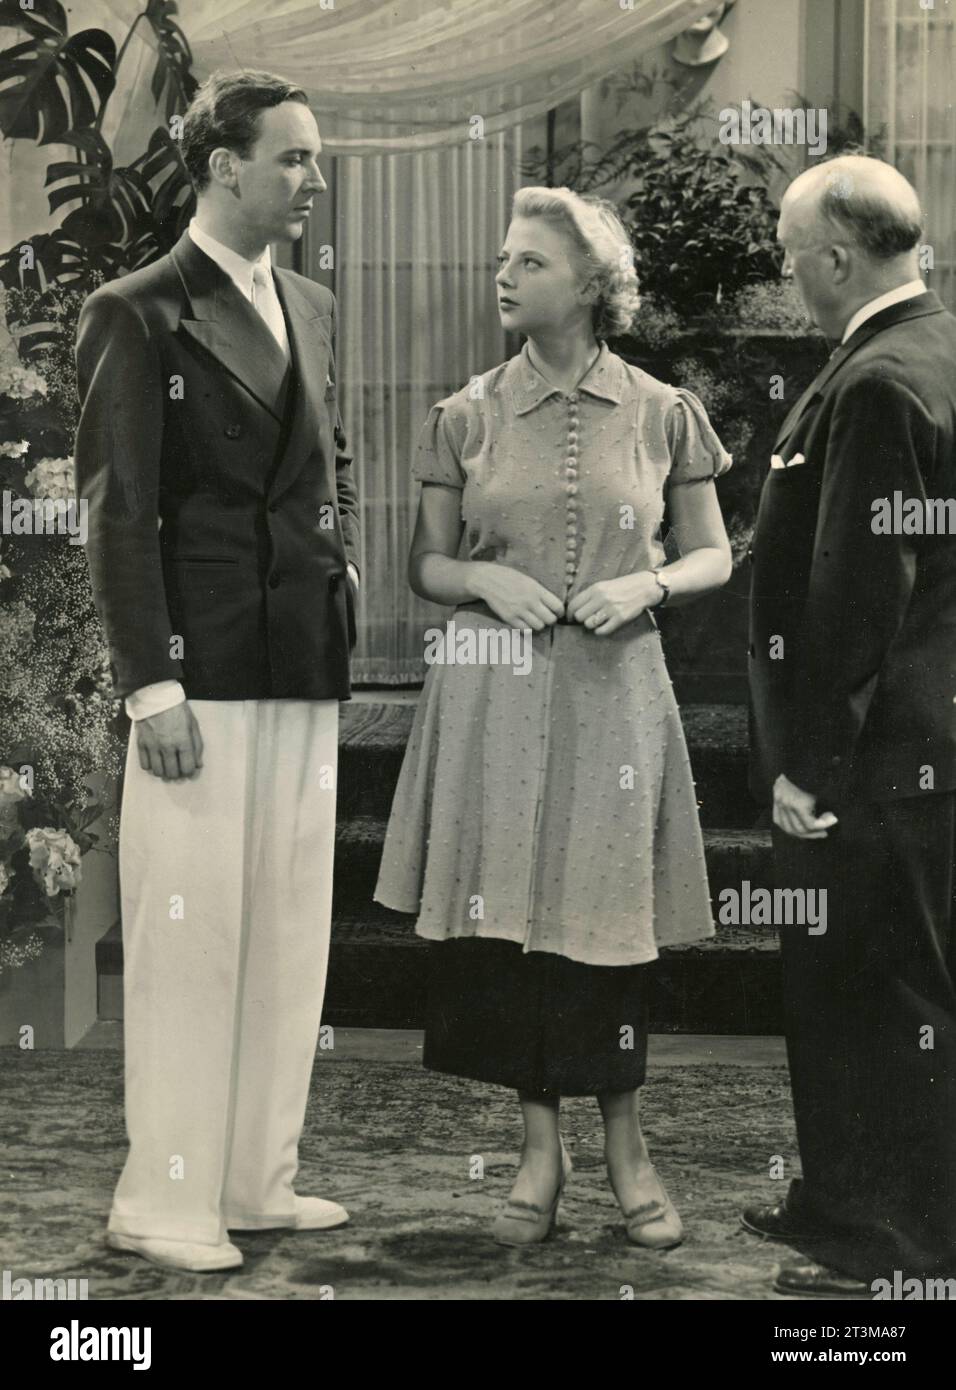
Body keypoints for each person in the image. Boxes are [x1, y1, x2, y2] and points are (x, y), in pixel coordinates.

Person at [374, 186, 732, 1247]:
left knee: (609, 929)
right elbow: (423, 566)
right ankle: (540, 1149)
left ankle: (628, 1150)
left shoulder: (662, 409)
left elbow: (715, 549)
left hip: (615, 695)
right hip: (491, 694)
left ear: (588, 286)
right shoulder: (465, 412)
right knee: (515, 930)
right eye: (502, 258)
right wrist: (484, 587)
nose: (502, 275)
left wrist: (649, 585)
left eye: (527, 262)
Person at [74, 70, 361, 1273]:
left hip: (301, 661)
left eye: (313, 158)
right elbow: (116, 512)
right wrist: (153, 687)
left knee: (287, 934)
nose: (310, 178)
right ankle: (164, 1198)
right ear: (220, 165)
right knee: (193, 943)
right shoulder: (137, 310)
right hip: (200, 678)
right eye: (290, 157)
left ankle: (256, 1178)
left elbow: (320, 474)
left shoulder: (311, 301)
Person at [744, 154, 956, 1297]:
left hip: (876, 755)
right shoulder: (933, 345)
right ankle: (842, 1202)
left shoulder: (876, 379)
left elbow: (855, 590)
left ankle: (901, 1241)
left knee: (883, 997)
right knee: (871, 988)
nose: (783, 268)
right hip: (928, 737)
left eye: (789, 250)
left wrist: (808, 766)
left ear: (835, 256)